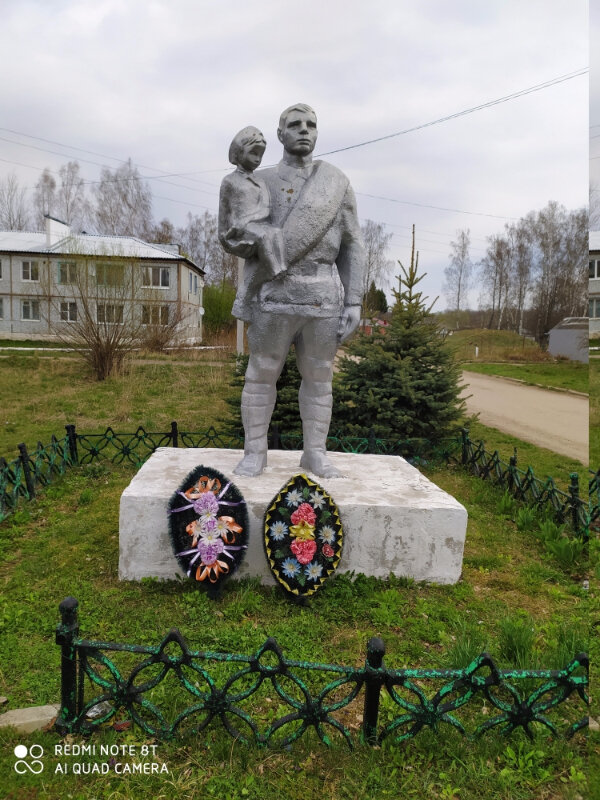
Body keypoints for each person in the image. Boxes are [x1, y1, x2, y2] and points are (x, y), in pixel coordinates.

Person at [219, 104, 366, 478]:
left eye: (311, 125)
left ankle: (315, 453)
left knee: (320, 375)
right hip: (274, 292)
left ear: (317, 133)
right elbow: (232, 234)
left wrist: (354, 300)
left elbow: (353, 244)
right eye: (294, 125)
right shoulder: (257, 181)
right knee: (261, 372)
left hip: (323, 297)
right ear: (280, 134)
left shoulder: (337, 182)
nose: (304, 130)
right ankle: (255, 454)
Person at [218, 126, 286, 290]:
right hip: (237, 230)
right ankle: (275, 271)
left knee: (275, 232)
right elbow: (224, 214)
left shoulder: (261, 182)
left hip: (254, 223)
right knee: (263, 236)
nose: (257, 159)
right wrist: (226, 235)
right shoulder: (229, 181)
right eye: (253, 153)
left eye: (260, 155)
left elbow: (266, 208)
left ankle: (282, 268)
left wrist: (248, 219)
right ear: (239, 152)